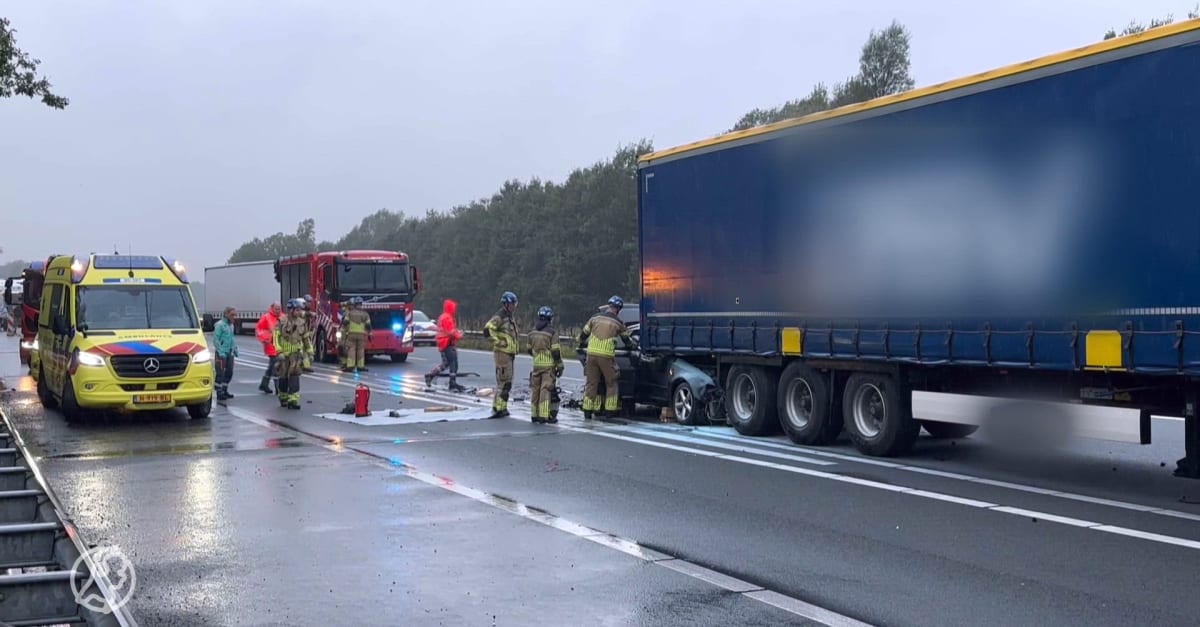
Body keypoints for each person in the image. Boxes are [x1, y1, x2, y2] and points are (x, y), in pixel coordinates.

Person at [578, 295, 635, 420]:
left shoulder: (594, 318)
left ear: (609, 306)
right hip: (606, 356)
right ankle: (610, 411)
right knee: (612, 382)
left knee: (591, 383)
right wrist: (633, 346)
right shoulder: (618, 322)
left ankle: (587, 410)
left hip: (591, 354)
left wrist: (581, 343)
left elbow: (583, 334)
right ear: (618, 309)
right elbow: (627, 340)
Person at [483, 291, 519, 419]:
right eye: (513, 304)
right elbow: (487, 330)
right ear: (506, 304)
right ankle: (499, 408)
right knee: (504, 382)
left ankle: (501, 406)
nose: (515, 306)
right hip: (502, 353)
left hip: (508, 353)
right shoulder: (500, 316)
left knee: (507, 381)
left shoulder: (509, 316)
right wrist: (498, 341)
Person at [528, 306, 564, 424]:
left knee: (535, 389)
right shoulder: (552, 332)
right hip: (548, 365)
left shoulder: (532, 331)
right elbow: (555, 351)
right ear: (549, 318)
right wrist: (559, 364)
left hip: (536, 364)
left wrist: (537, 356)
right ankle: (544, 415)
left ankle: (534, 415)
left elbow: (528, 349)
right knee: (545, 389)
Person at [424, 299, 465, 391]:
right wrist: (459, 335)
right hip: (447, 343)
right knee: (453, 363)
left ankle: (430, 375)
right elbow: (450, 331)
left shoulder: (443, 316)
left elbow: (446, 330)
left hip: (443, 343)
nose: (455, 310)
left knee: (446, 363)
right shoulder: (448, 317)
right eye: (454, 308)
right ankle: (452, 383)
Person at [275, 299, 307, 409]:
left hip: (296, 355)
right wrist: (279, 351)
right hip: (284, 355)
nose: (299, 312)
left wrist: (310, 352)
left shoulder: (301, 322)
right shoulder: (281, 321)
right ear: (290, 310)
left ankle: (293, 400)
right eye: (297, 310)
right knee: (283, 377)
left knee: (294, 377)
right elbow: (275, 338)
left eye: (299, 310)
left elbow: (306, 338)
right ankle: (283, 397)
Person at [255, 302, 283, 394]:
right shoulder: (266, 317)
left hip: (281, 347)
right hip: (271, 347)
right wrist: (266, 338)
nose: (278, 311)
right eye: (276, 309)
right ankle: (278, 387)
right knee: (276, 368)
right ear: (272, 308)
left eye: (279, 308)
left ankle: (264, 385)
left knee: (272, 366)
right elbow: (259, 329)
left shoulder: (283, 317)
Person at [213, 306, 239, 402]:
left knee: (229, 372)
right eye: (232, 315)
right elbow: (216, 339)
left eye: (235, 315)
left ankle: (225, 389)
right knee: (220, 372)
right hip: (221, 353)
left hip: (229, 352)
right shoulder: (220, 325)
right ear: (226, 314)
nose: (234, 317)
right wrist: (220, 351)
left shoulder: (231, 326)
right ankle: (219, 391)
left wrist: (235, 349)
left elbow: (232, 338)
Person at [340, 297, 372, 373]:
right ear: (361, 304)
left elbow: (345, 322)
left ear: (355, 304)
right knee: (361, 350)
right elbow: (368, 325)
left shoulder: (350, 313)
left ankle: (350, 366)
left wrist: (342, 330)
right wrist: (370, 333)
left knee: (351, 349)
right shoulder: (365, 314)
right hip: (362, 335)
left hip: (351, 334)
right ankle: (360, 366)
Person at [301, 294, 316, 372]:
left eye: (310, 302)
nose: (309, 303)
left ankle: (305, 365)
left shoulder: (308, 310)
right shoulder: (300, 310)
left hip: (306, 334)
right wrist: (311, 314)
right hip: (300, 335)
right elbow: (303, 314)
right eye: (308, 302)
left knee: (309, 351)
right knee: (304, 351)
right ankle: (305, 366)